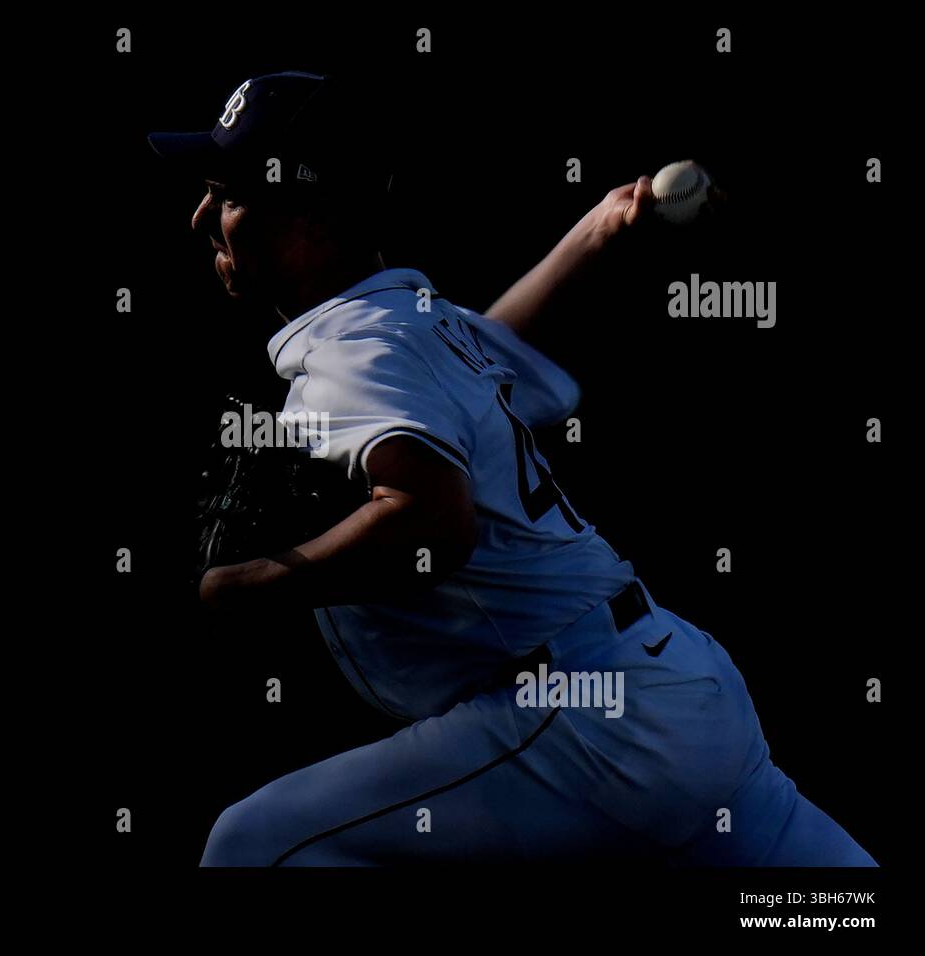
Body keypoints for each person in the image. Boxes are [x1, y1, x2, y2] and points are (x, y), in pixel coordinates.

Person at [149, 71, 877, 866]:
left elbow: (432, 519)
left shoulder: (352, 352)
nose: (201, 218)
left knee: (255, 846)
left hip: (584, 725)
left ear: (313, 217)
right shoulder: (411, 323)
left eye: (227, 193)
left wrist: (240, 586)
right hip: (677, 683)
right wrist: (596, 230)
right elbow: (499, 354)